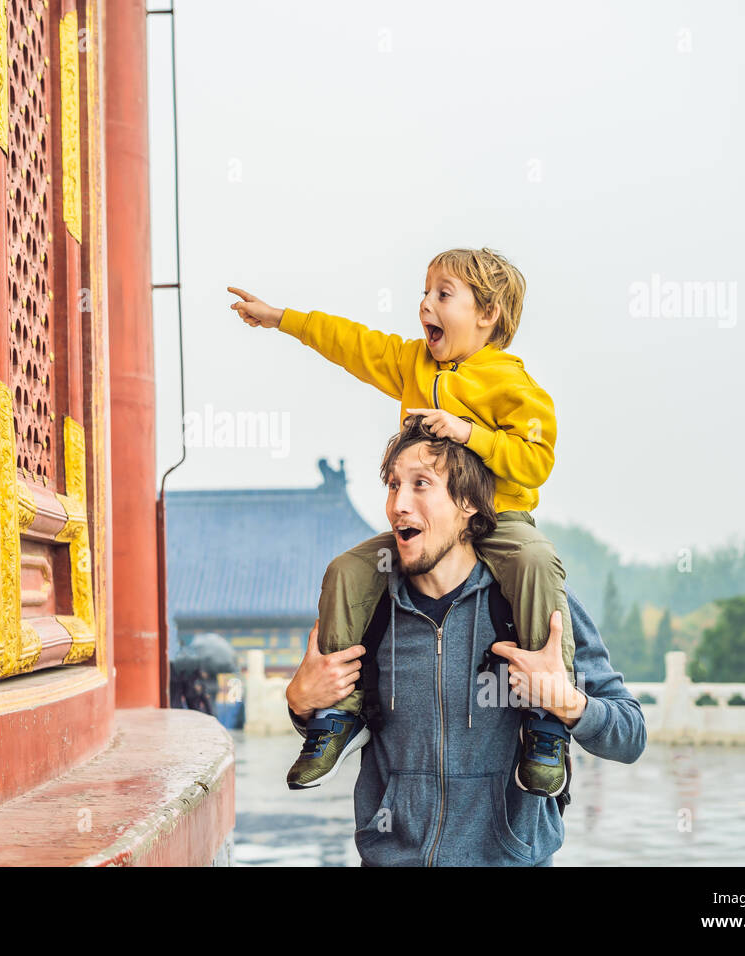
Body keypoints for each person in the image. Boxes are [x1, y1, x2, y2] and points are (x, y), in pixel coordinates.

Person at [229, 248, 576, 799]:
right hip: (431, 527)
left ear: (487, 314)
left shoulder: (512, 383)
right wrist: (281, 319)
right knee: (347, 568)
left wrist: (467, 433)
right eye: (425, 292)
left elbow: (537, 460)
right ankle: (335, 715)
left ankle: (547, 724)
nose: (424, 305)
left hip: (499, 520)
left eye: (443, 294)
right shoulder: (413, 364)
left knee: (535, 559)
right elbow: (351, 342)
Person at [284, 416, 645, 865]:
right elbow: (343, 720)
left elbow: (631, 734)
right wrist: (300, 705)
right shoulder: (370, 610)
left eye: (421, 484)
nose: (399, 503)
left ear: (469, 503)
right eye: (393, 486)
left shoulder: (530, 605)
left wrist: (568, 703)